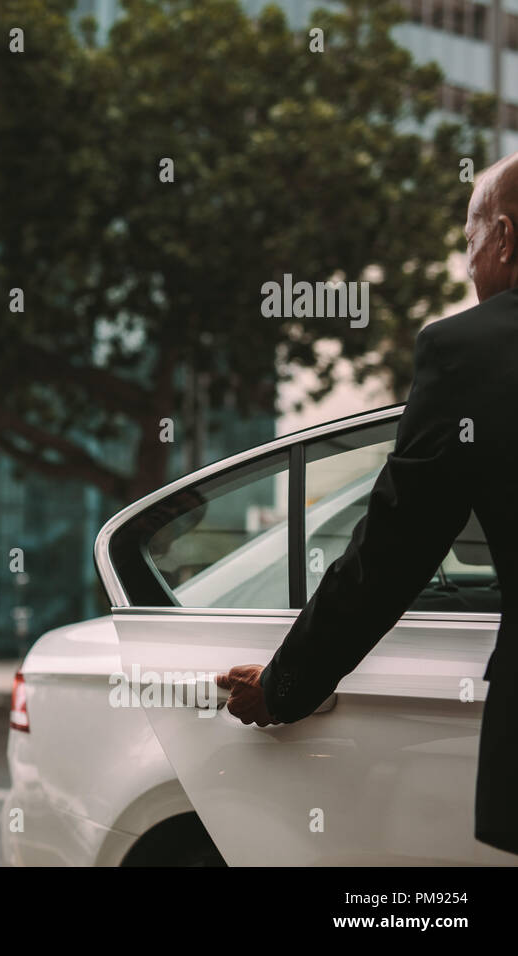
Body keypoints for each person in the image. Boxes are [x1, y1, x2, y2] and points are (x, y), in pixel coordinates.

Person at [219, 151, 518, 856]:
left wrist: (287, 684)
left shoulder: (471, 352)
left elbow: (391, 552)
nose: (471, 271)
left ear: (503, 237)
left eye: (471, 248)